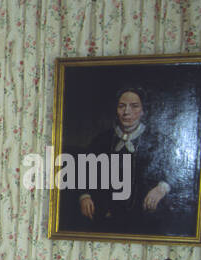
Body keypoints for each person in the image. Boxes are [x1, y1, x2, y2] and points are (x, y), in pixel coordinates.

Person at [74, 86, 192, 237]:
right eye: (122, 106)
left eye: (134, 106)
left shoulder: (158, 141)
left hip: (144, 219)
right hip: (104, 217)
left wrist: (162, 187)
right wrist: (84, 196)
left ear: (143, 110)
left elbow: (181, 170)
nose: (126, 112)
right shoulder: (101, 140)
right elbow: (81, 171)